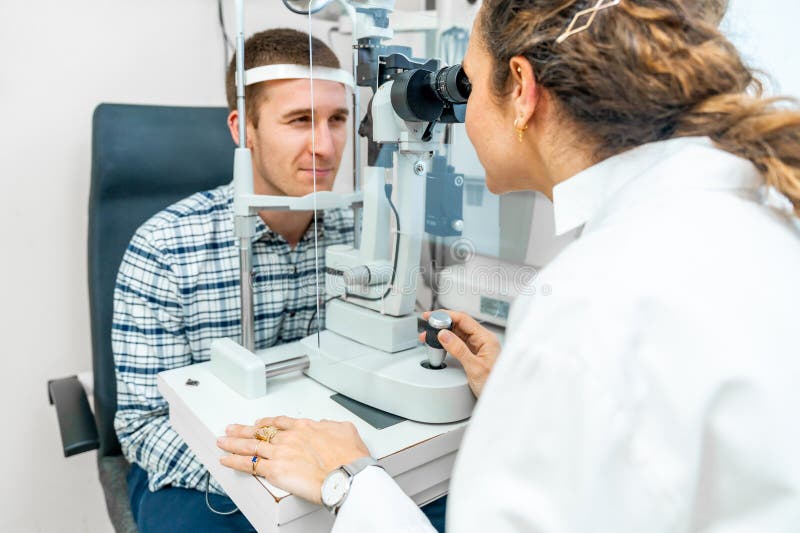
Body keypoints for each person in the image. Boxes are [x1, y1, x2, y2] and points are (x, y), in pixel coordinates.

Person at [217, 1, 800, 532]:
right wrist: (524, 391)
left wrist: (349, 481)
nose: (462, 113)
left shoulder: (591, 300)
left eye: (468, 83)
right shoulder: (741, 212)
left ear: (520, 88)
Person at [112, 28, 355, 532]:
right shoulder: (164, 249)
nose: (326, 146)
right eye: (299, 120)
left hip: (330, 462)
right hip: (202, 474)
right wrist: (273, 474)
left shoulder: (359, 235)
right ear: (243, 128)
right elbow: (143, 426)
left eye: (338, 119)